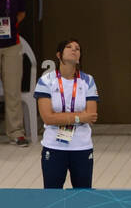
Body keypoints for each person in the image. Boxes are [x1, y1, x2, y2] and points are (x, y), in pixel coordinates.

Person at [34, 39, 97, 189]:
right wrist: (79, 117)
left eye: (77, 48)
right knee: (52, 196)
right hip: (54, 147)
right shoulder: (45, 81)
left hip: (82, 147)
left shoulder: (88, 80)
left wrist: (60, 117)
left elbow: (92, 116)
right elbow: (48, 118)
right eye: (69, 47)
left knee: (83, 197)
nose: (74, 50)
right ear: (58, 55)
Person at [0, 0, 30, 146]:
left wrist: (11, 26)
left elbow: (21, 12)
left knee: (13, 90)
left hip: (11, 44)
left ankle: (16, 132)